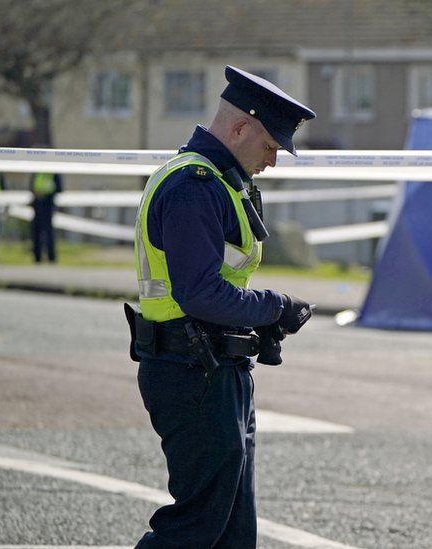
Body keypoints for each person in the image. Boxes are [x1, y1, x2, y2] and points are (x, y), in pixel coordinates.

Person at [126, 65, 316, 548]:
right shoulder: (195, 185)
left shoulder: (218, 182)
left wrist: (260, 322)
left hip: (213, 368)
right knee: (196, 528)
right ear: (239, 127)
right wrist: (274, 307)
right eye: (271, 146)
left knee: (231, 531)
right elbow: (201, 293)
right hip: (192, 371)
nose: (272, 162)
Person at [29, 170, 61, 263]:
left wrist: (46, 194)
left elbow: (59, 188)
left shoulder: (54, 172)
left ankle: (51, 257)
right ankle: (37, 257)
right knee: (36, 232)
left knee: (49, 233)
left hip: (48, 205)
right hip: (37, 205)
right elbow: (31, 187)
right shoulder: (37, 171)